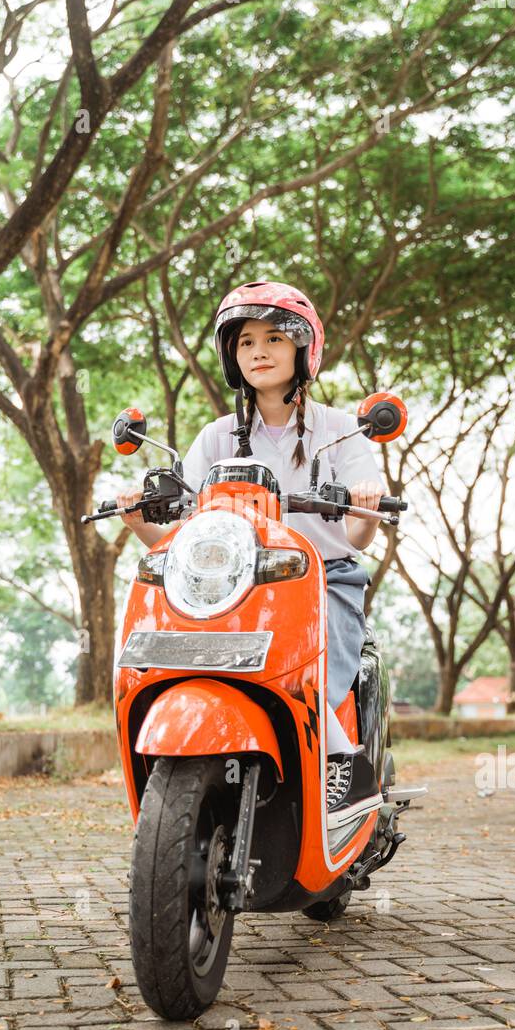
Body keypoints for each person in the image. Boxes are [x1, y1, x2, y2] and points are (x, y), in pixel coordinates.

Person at [116, 279, 386, 825]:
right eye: (245, 342)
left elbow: (361, 539)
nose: (258, 351)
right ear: (231, 355)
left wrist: (362, 507)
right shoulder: (216, 436)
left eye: (274, 338)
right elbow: (182, 531)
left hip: (322, 578)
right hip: (229, 586)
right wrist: (139, 519)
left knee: (314, 652)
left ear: (304, 350)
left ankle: (343, 763)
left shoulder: (341, 431)